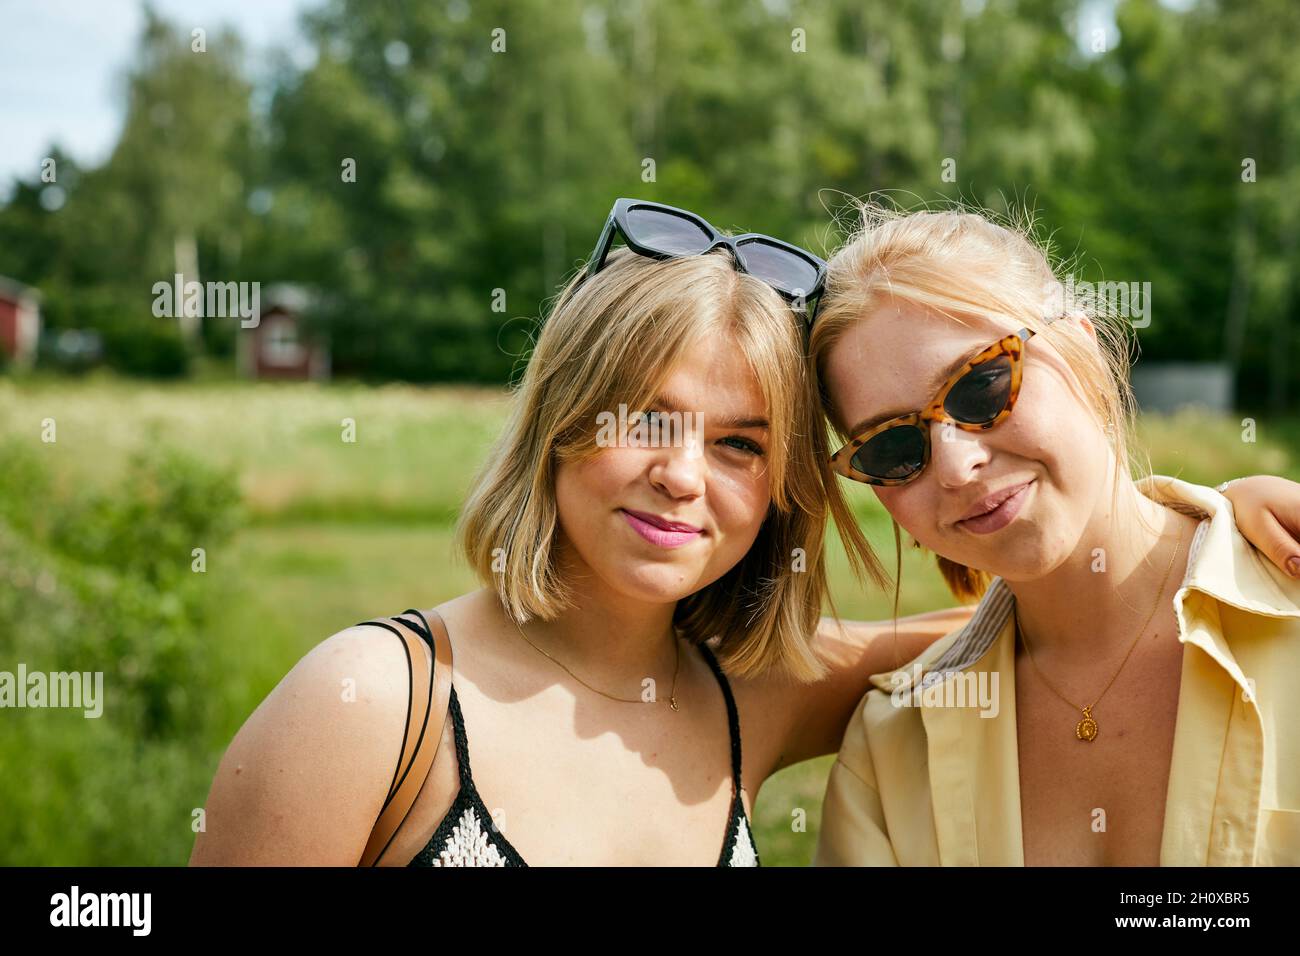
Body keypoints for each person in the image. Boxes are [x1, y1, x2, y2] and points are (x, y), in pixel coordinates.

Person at [190, 198, 1300, 867]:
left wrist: (1210, 517)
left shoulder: (750, 699)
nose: (681, 476)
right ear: (558, 420)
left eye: (736, 442)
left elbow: (1048, 614)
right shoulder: (376, 705)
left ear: (778, 488)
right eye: (646, 419)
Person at [810, 201, 1300, 866]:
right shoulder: (892, 753)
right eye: (893, 446)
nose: (957, 466)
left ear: (1083, 346)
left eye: (981, 386)